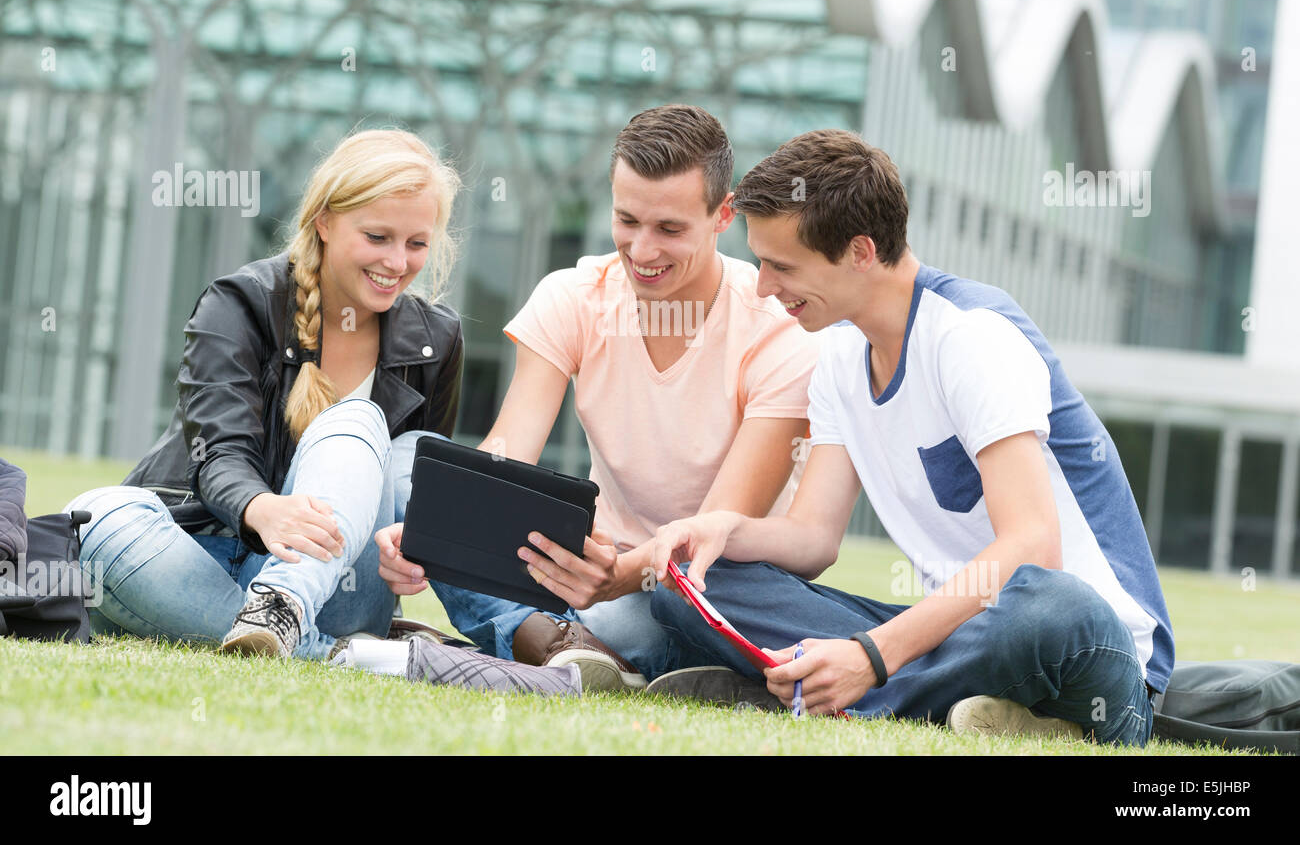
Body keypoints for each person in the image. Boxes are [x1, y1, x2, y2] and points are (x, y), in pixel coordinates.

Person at [647, 129, 1175, 745]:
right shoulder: (841, 356)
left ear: (860, 251)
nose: (764, 287)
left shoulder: (972, 338)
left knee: (1056, 605)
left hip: (1092, 649)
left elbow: (1033, 546)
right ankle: (944, 703)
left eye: (782, 266)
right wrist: (723, 531)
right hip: (956, 638)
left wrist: (871, 656)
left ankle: (826, 690)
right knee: (690, 588)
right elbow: (813, 538)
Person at [376, 105, 823, 690]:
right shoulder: (573, 297)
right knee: (414, 464)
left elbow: (716, 527)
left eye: (669, 229)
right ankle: (568, 646)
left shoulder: (776, 330)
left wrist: (619, 575)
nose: (640, 251)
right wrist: (439, 529)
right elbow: (506, 457)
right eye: (626, 220)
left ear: (723, 215)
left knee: (664, 607)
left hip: (697, 586)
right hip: (580, 573)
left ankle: (557, 644)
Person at [65, 129, 464, 659]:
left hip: (333, 586)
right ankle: (339, 654)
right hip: (197, 552)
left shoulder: (437, 340)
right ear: (323, 220)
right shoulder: (241, 302)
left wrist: (407, 545)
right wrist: (261, 508)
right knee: (94, 517)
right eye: (377, 237)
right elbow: (219, 452)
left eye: (416, 244)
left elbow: (417, 490)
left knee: (367, 427)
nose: (397, 263)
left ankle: (283, 608)